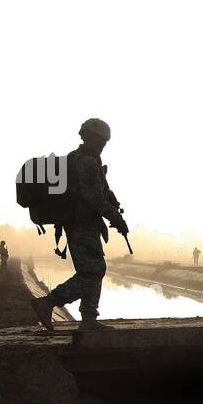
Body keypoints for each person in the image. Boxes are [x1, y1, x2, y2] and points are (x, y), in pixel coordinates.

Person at [31, 118, 128, 330]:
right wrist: (115, 217)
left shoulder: (86, 159)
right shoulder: (85, 161)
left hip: (84, 224)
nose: (103, 144)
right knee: (93, 270)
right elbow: (93, 197)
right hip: (80, 223)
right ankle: (49, 302)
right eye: (101, 140)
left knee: (94, 269)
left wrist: (112, 208)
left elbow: (101, 193)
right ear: (89, 137)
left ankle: (89, 320)